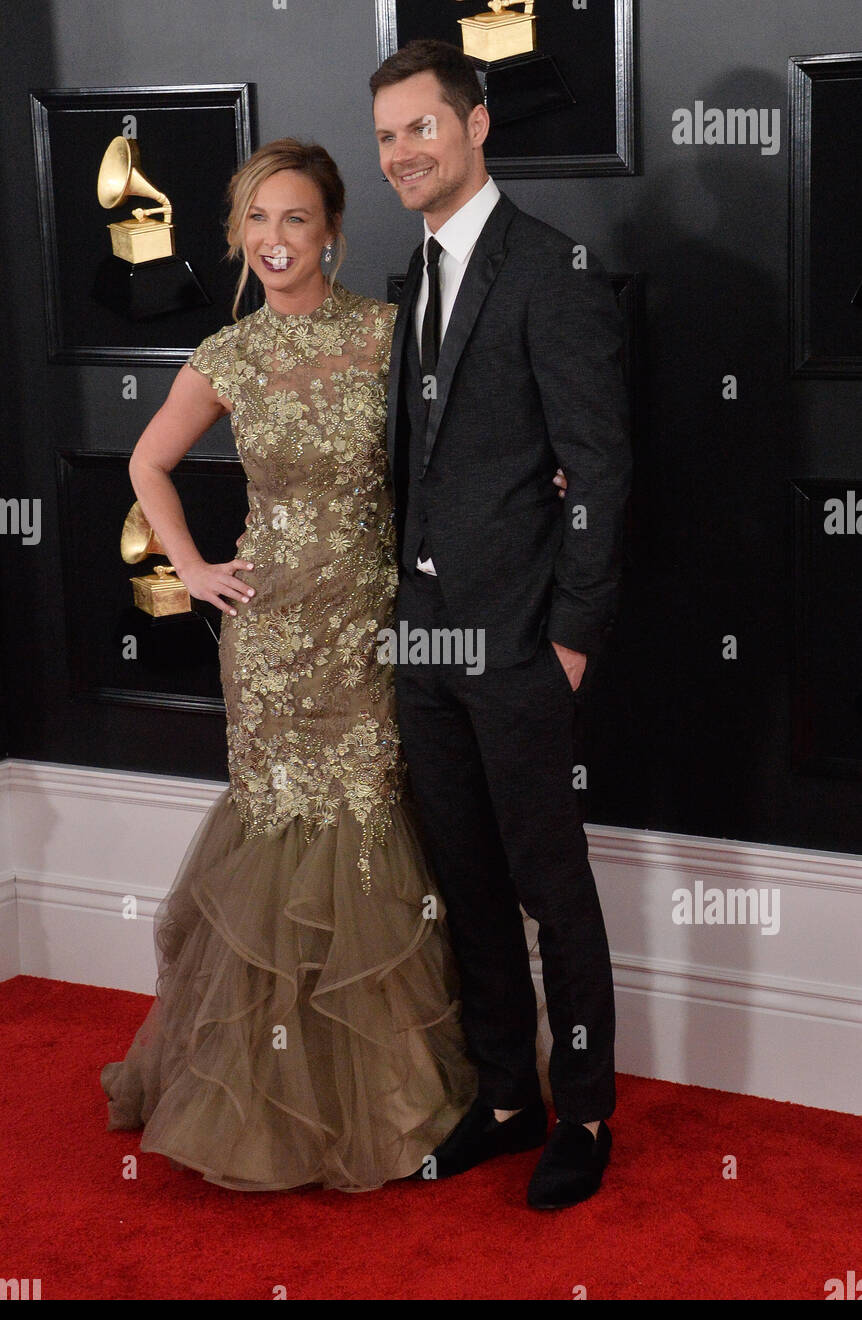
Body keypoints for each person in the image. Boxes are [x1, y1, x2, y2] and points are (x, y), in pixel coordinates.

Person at [100, 138, 481, 1192]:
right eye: (258, 221)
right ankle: (264, 1105)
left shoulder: (386, 335)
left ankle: (393, 1102)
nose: (276, 239)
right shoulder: (228, 355)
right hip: (268, 640)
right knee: (279, 837)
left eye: (296, 220)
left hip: (366, 623)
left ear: (332, 232)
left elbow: (455, 447)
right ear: (239, 235)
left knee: (369, 831)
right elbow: (147, 461)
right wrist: (192, 568)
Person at [370, 40, 633, 1209]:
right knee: (464, 879)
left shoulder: (549, 268)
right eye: (383, 137)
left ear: (476, 125)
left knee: (547, 880)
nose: (398, 155)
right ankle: (505, 1095)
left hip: (521, 642)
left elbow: (601, 465)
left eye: (419, 128)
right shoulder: (403, 279)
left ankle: (581, 1109)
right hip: (420, 637)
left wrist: (569, 634)